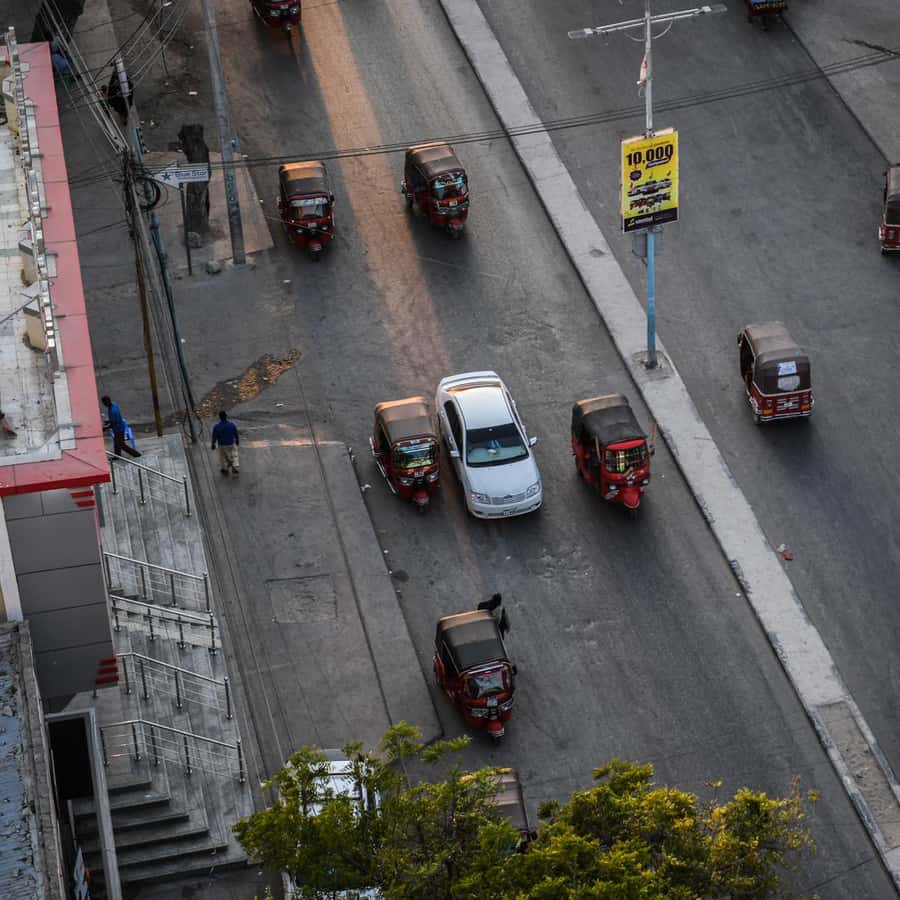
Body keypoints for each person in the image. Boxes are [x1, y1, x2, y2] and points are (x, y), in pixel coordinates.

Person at [211, 410, 239, 476]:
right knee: (233, 455)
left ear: (219, 417)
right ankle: (234, 467)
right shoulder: (232, 425)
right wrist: (237, 440)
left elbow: (214, 436)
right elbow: (236, 434)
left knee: (222, 457)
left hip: (222, 445)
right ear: (226, 416)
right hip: (231, 443)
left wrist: (213, 444)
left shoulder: (217, 427)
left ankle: (225, 469)